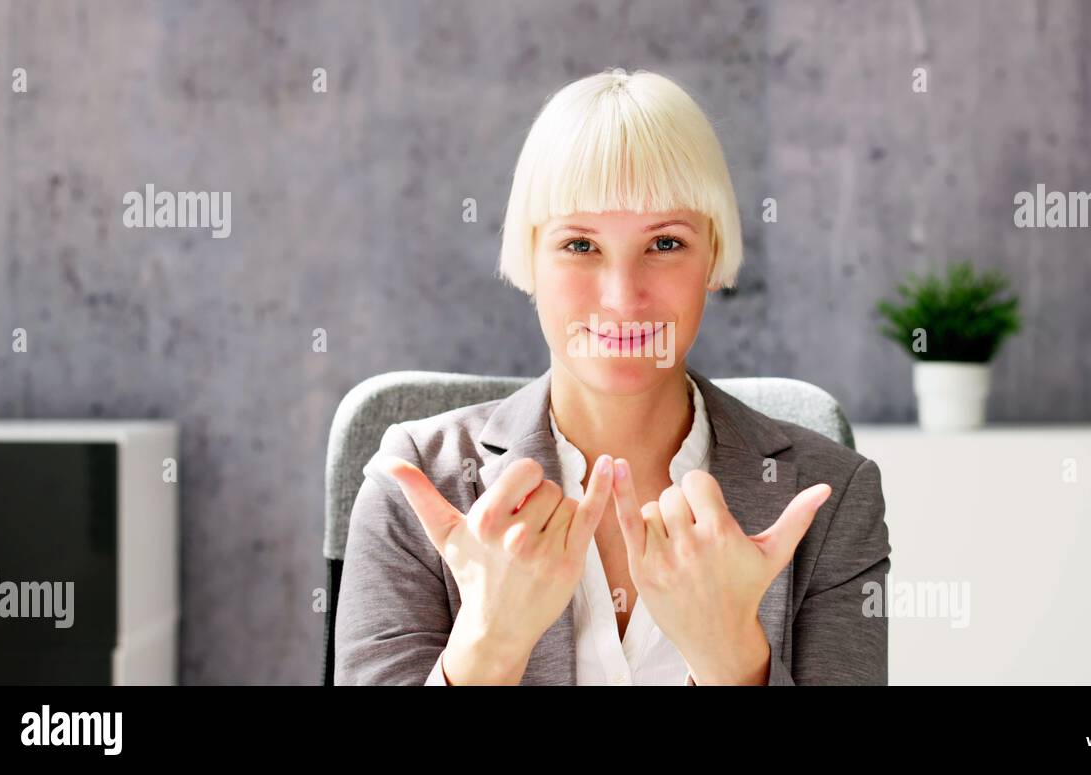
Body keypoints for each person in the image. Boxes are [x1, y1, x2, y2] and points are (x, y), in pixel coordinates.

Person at [335, 68, 891, 685]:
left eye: (665, 244)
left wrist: (731, 656)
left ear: (713, 254)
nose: (624, 298)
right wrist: (490, 643)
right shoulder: (418, 487)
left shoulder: (832, 497)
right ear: (530, 258)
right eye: (580, 246)